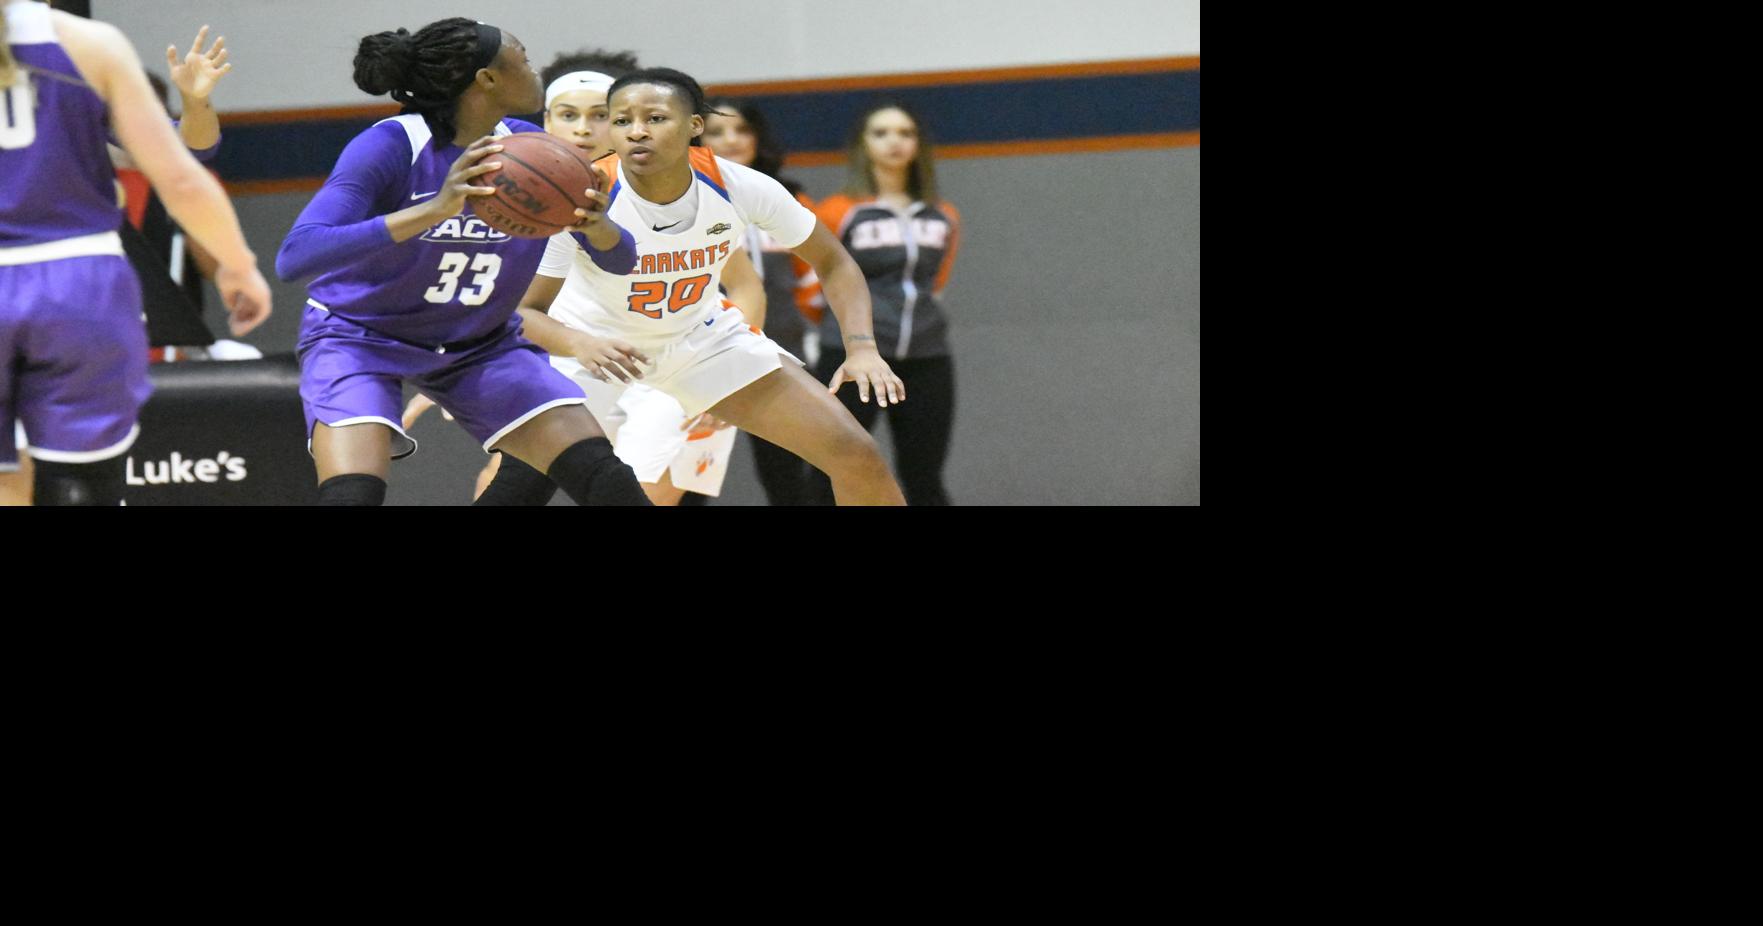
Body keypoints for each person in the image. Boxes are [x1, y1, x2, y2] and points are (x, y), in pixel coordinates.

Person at [476, 67, 906, 506]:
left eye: (655, 119)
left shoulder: (739, 185)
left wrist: (862, 347)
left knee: (856, 454)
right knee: (519, 487)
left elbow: (833, 261)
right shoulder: (580, 196)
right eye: (622, 121)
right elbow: (522, 312)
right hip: (593, 350)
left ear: (695, 126)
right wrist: (579, 344)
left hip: (698, 339)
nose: (637, 132)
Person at [274, 16, 650, 507]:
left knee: (606, 480)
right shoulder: (393, 144)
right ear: (487, 78)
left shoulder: (531, 154)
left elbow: (622, 260)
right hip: (360, 335)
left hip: (478, 343)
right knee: (353, 494)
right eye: (524, 58)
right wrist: (432, 210)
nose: (535, 69)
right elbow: (295, 256)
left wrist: (596, 226)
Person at [403, 50, 763, 506]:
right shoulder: (511, 193)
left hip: (677, 360)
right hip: (575, 356)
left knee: (650, 495)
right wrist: (454, 370)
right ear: (545, 120)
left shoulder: (670, 187)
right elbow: (484, 299)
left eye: (599, 116)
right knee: (503, 481)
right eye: (568, 115)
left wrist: (729, 376)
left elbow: (747, 286)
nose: (582, 129)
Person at [1, 0, 270, 506]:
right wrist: (238, 264)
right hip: (76, 283)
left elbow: (191, 148)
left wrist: (194, 105)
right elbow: (183, 175)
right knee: (83, 482)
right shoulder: (87, 45)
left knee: (7, 479)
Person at [801, 101, 960, 506]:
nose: (895, 142)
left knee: (924, 476)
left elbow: (935, 282)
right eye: (882, 132)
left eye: (906, 133)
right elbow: (815, 282)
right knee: (831, 468)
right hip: (851, 359)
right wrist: (835, 336)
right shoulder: (838, 211)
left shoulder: (943, 215)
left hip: (926, 356)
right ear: (862, 144)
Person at [702, 97, 820, 505]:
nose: (731, 140)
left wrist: (805, 329)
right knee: (691, 473)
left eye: (742, 129)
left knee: (787, 475)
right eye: (717, 132)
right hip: (705, 354)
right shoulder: (683, 198)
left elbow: (814, 275)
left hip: (780, 351)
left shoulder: (788, 195)